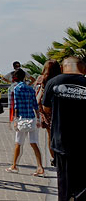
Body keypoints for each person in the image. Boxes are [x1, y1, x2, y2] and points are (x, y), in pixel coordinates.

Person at [42, 56, 86, 201]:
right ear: (83, 68)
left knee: (64, 184)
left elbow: (46, 108)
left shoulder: (53, 82)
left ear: (62, 68)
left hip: (61, 141)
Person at [5, 68, 45, 176]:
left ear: (15, 77)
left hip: (22, 119)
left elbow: (16, 105)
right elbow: (35, 104)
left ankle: (14, 165)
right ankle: (40, 166)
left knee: (18, 143)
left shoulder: (16, 89)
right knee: (34, 143)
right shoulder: (30, 89)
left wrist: (15, 120)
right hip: (32, 118)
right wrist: (38, 118)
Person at [35, 59, 62, 166]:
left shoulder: (42, 79)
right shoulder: (60, 79)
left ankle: (54, 158)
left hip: (46, 112)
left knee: (50, 136)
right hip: (59, 110)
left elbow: (37, 98)